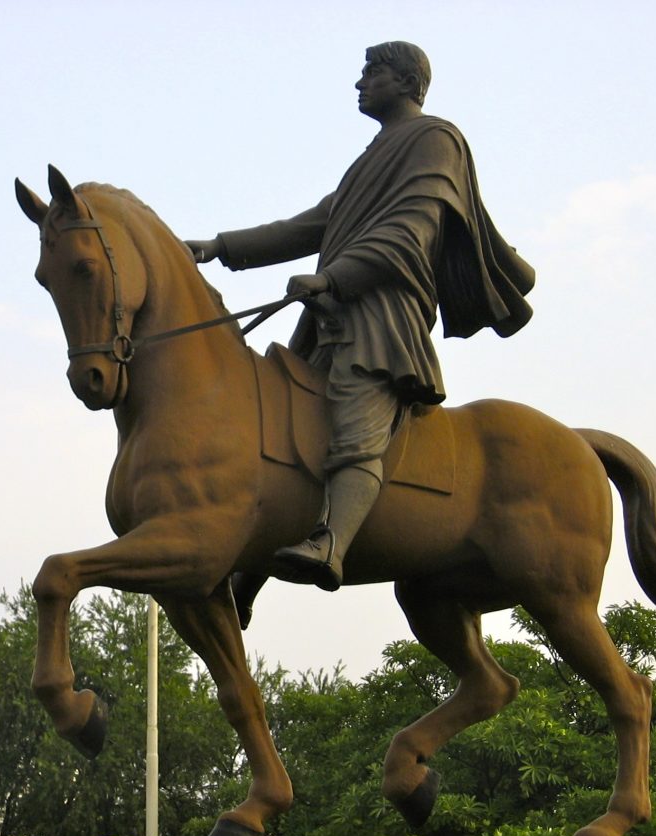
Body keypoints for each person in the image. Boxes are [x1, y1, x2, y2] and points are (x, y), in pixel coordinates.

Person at [187, 41, 535, 593]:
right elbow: (311, 225)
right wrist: (221, 245)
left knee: (354, 416)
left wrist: (334, 277)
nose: (359, 84)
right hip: (331, 311)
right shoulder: (371, 157)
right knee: (275, 422)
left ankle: (331, 544)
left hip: (382, 312)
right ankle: (250, 570)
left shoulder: (435, 139)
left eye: (370, 73)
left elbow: (412, 228)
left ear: (405, 81)